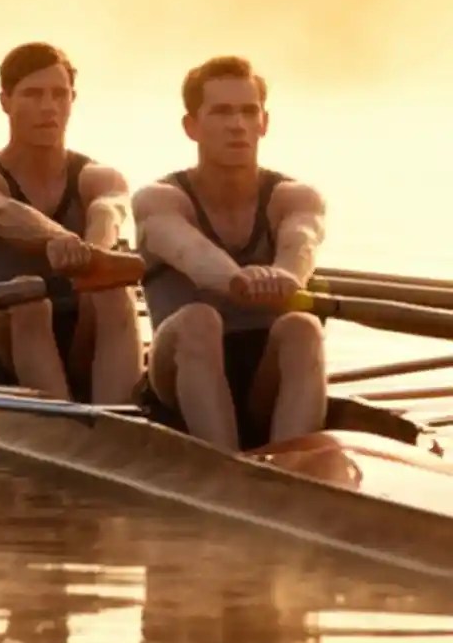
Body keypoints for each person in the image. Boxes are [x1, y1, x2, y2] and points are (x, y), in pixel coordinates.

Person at [133, 55, 327, 452]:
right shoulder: (159, 199)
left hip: (265, 377)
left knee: (304, 328)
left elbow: (302, 242)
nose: (237, 125)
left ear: (264, 123)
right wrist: (238, 279)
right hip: (177, 376)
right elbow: (193, 255)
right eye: (221, 112)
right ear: (192, 126)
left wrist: (288, 276)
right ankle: (226, 465)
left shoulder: (295, 197)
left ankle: (291, 473)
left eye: (247, 111)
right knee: (199, 320)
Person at [0, 42, 141, 403]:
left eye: (59, 95)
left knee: (114, 290)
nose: (48, 108)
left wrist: (94, 252)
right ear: (5, 101)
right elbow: (2, 213)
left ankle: (122, 420)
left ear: (72, 99)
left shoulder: (100, 176)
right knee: (27, 294)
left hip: (82, 338)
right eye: (33, 95)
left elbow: (110, 210)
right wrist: (60, 238)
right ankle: (64, 423)